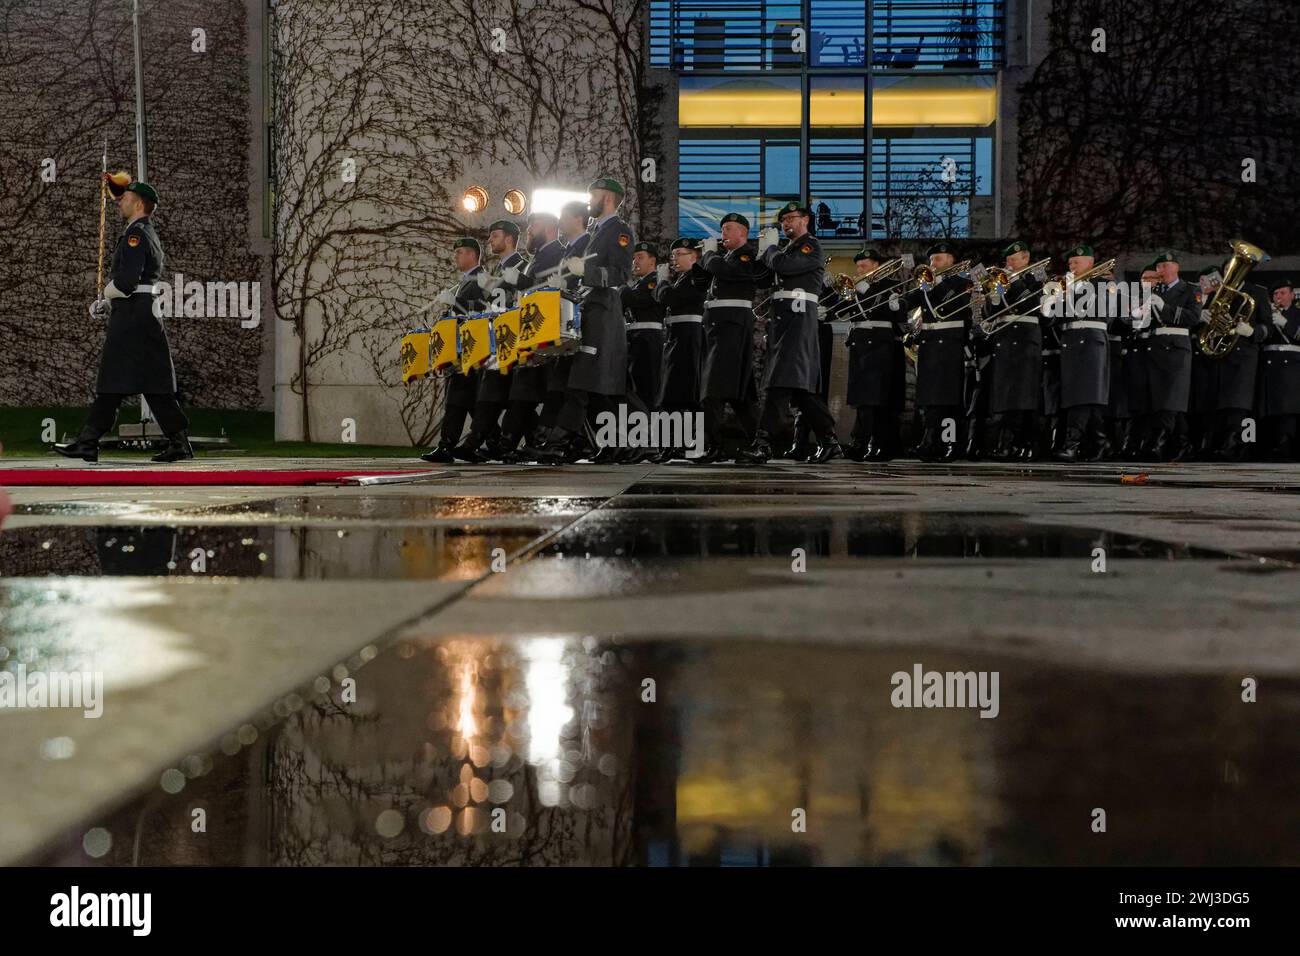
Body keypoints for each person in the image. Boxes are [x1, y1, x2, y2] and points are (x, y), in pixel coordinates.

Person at [55, 177, 192, 464]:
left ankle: (88, 442)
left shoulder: (136, 235)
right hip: (140, 313)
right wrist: (108, 303)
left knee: (112, 379)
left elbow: (128, 281)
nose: (120, 200)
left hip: (132, 317)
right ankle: (178, 442)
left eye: (126, 197)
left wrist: (107, 293)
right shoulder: (144, 232)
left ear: (140, 204)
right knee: (152, 382)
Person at [535, 177, 635, 464]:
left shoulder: (619, 230)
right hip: (587, 309)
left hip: (603, 311)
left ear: (607, 197)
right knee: (595, 385)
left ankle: (557, 443)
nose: (589, 201)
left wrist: (586, 272)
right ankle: (620, 445)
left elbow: (620, 274)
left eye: (593, 196)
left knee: (582, 381)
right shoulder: (595, 231)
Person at [736, 200, 841, 464]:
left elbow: (785, 267)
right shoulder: (786, 250)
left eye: (791, 218)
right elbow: (761, 278)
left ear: (805, 220)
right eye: (784, 220)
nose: (786, 224)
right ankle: (829, 441)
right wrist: (762, 252)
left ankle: (763, 443)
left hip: (798, 322)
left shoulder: (810, 246)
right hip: (783, 323)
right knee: (799, 387)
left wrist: (771, 249)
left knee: (778, 382)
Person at [454, 219, 528, 462]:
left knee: (514, 397)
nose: (490, 241)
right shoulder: (496, 270)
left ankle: (523, 441)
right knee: (490, 394)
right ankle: (475, 442)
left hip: (515, 338)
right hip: (497, 340)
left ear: (509, 239)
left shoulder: (523, 266)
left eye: (495, 236)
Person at [890, 241, 969, 461]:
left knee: (949, 399)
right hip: (929, 343)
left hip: (950, 343)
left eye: (939, 259)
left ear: (951, 261)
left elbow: (956, 304)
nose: (934, 263)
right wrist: (897, 302)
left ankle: (950, 444)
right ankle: (930, 442)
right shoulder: (925, 285)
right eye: (932, 259)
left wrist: (936, 284)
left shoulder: (962, 282)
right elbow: (908, 302)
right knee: (930, 399)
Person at [696, 213, 764, 462]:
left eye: (728, 229)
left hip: (731, 328)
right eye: (722, 228)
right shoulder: (725, 257)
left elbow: (727, 272)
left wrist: (710, 255)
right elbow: (702, 278)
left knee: (712, 389)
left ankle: (714, 446)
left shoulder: (746, 256)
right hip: (720, 327)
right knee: (741, 394)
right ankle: (760, 442)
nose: (723, 233)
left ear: (743, 233)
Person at [420, 237, 488, 463]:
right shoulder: (466, 280)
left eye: (460, 252)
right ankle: (490, 442)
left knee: (457, 398)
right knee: (465, 400)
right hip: (460, 346)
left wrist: (454, 302)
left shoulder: (481, 278)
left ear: (472, 255)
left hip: (470, 346)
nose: (455, 256)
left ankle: (447, 446)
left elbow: (480, 309)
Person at [1044, 244, 1112, 462]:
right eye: (1071, 262)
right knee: (1084, 396)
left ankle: (1072, 445)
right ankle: (1101, 442)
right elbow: (1051, 319)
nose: (1072, 266)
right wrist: (1052, 301)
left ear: (1091, 263)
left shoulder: (1103, 284)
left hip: (1091, 340)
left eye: (1078, 262)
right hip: (1070, 341)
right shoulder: (1065, 286)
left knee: (1082, 395)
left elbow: (1107, 314)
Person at [982, 240, 1044, 461]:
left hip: (1026, 338)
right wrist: (995, 297)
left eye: (1014, 259)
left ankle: (1024, 444)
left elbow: (1036, 304)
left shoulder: (1037, 277)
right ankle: (1005, 442)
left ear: (1025, 259)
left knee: (1025, 395)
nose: (1009, 263)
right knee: (1005, 394)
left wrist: (1013, 283)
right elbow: (990, 313)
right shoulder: (1002, 281)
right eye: (1008, 260)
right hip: (1005, 339)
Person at [1134, 251, 1200, 462]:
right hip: (1155, 347)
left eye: (1166, 266)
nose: (1162, 270)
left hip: (1176, 347)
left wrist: (1165, 307)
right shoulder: (1155, 290)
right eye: (1160, 267)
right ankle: (1183, 442)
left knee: (1171, 398)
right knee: (1164, 399)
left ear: (1177, 267)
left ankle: (1158, 442)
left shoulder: (1190, 289)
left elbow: (1193, 317)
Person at [842, 249, 905, 461]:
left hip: (879, 344)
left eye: (865, 265)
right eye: (858, 266)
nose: (860, 269)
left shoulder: (890, 285)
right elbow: (842, 311)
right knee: (862, 398)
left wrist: (867, 293)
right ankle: (860, 442)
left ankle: (876, 443)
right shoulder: (854, 288)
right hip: (859, 343)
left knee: (876, 398)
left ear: (876, 265)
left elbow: (898, 314)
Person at [653, 237, 708, 462]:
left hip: (689, 337)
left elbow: (669, 298)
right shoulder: (684, 278)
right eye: (673, 255)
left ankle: (689, 443)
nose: (673, 259)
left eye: (679, 254)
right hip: (678, 335)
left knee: (685, 393)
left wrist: (663, 282)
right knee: (674, 394)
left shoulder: (697, 277)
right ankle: (674, 444)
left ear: (694, 257)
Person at [621, 241, 666, 415]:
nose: (635, 262)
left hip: (649, 340)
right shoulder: (640, 284)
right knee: (636, 386)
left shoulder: (655, 282)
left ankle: (653, 431)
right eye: (633, 258)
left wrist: (622, 282)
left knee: (648, 387)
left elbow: (636, 299)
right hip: (637, 339)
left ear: (652, 261)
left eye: (640, 257)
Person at [1259, 279, 1300, 460]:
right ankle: (1273, 447)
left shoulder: (1298, 314)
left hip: (1291, 366)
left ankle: (1287, 447)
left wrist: (1286, 324)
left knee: (1288, 410)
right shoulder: (1268, 314)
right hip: (1270, 365)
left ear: (1292, 294)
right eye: (1275, 294)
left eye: (1283, 293)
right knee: (1271, 410)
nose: (1278, 297)